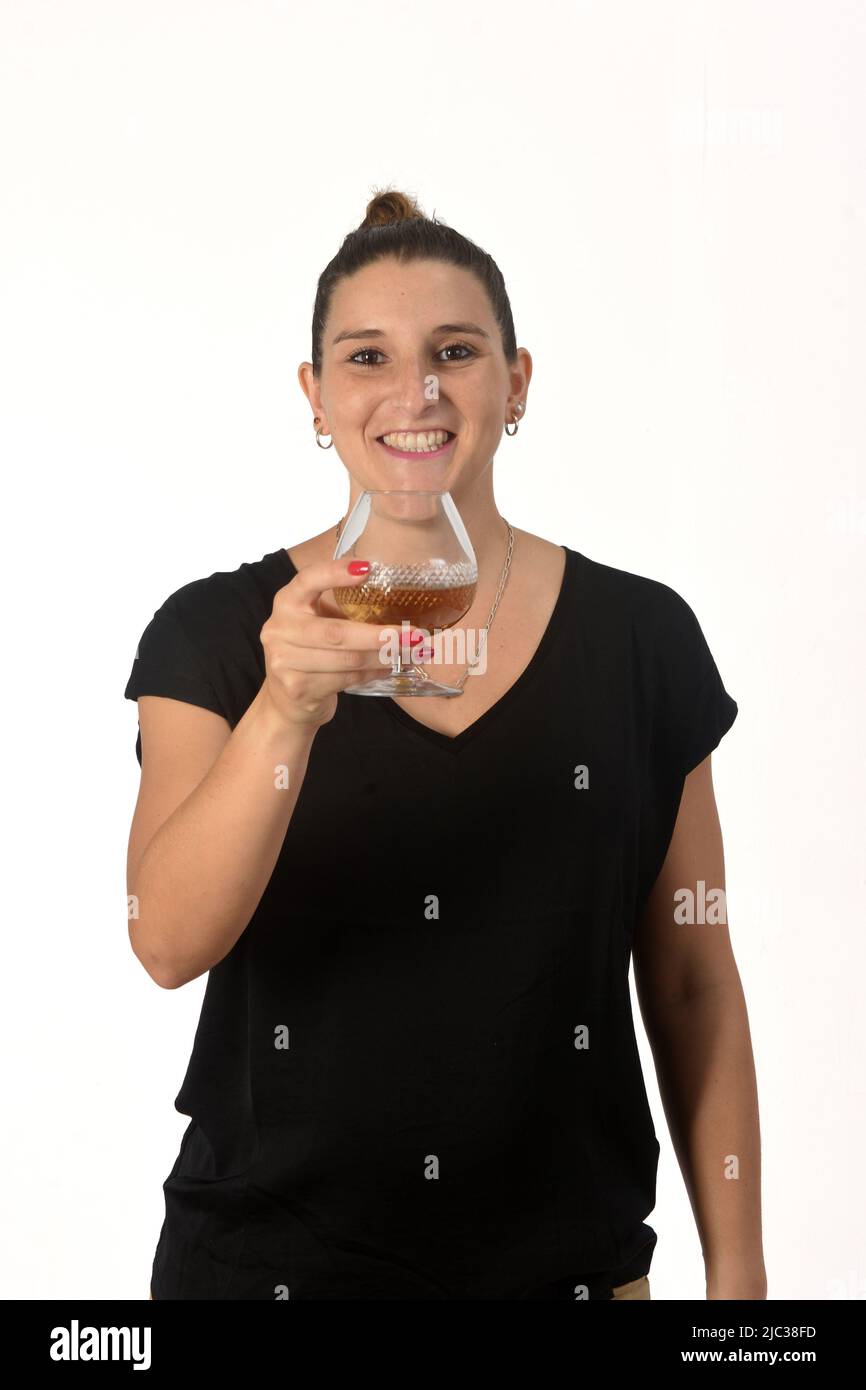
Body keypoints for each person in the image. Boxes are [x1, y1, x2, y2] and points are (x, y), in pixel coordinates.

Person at [125, 189, 765, 1301]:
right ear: (315, 397)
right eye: (365, 356)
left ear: (515, 384)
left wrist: (739, 1285)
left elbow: (693, 977)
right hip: (267, 1270)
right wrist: (284, 708)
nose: (414, 391)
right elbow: (166, 942)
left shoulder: (639, 638)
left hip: (570, 1274)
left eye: (454, 352)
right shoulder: (216, 635)